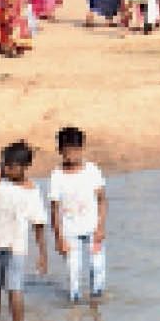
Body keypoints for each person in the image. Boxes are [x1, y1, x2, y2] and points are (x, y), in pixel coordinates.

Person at [0, 141, 49, 321]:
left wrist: (42, 253)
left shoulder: (32, 192)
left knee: (15, 288)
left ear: (25, 167)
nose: (7, 169)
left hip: (15, 247)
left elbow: (38, 224)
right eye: (4, 164)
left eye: (11, 166)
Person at [48, 127, 107, 304]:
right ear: (60, 151)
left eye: (74, 150)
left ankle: (96, 306)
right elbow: (54, 209)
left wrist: (100, 228)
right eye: (66, 151)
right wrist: (58, 238)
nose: (71, 155)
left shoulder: (92, 170)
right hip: (69, 231)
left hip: (92, 229)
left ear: (82, 149)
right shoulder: (57, 175)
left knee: (97, 268)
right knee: (74, 271)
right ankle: (75, 303)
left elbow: (102, 200)